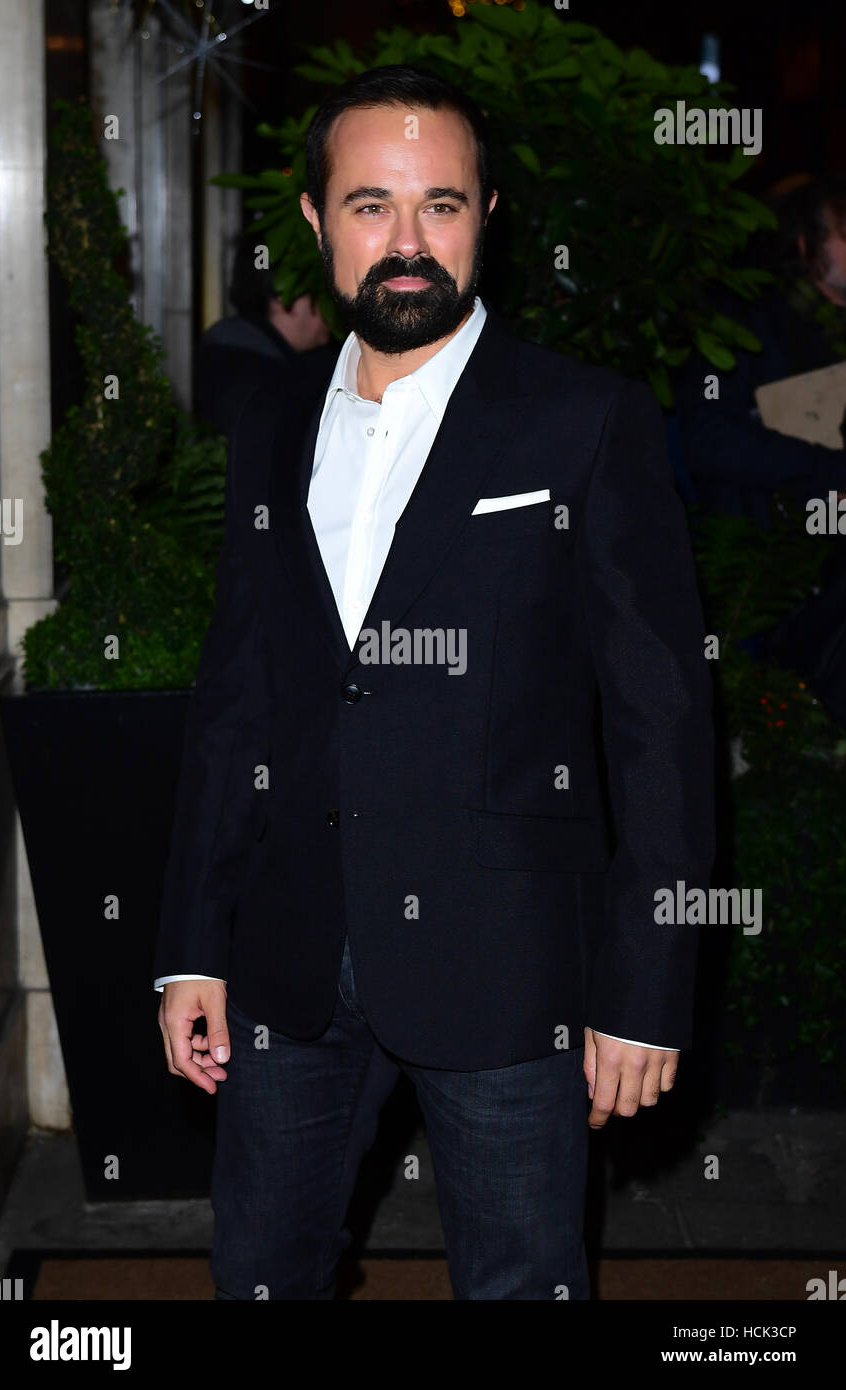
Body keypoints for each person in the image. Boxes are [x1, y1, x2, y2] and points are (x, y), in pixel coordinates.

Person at [154, 64, 715, 1301]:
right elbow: (235, 692)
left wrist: (646, 987)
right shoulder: (266, 421)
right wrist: (191, 941)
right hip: (290, 953)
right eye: (369, 205)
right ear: (314, 222)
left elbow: (661, 723)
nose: (406, 243)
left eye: (440, 206)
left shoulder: (585, 420)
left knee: (520, 1283)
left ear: (487, 214)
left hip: (509, 965)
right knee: (257, 1271)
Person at [676, 175, 846, 528]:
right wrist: (828, 471)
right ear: (805, 244)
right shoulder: (742, 319)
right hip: (769, 551)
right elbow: (706, 437)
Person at [194, 235, 338, 438]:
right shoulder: (260, 381)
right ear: (283, 293)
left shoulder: (228, 354)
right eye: (321, 291)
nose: (331, 305)